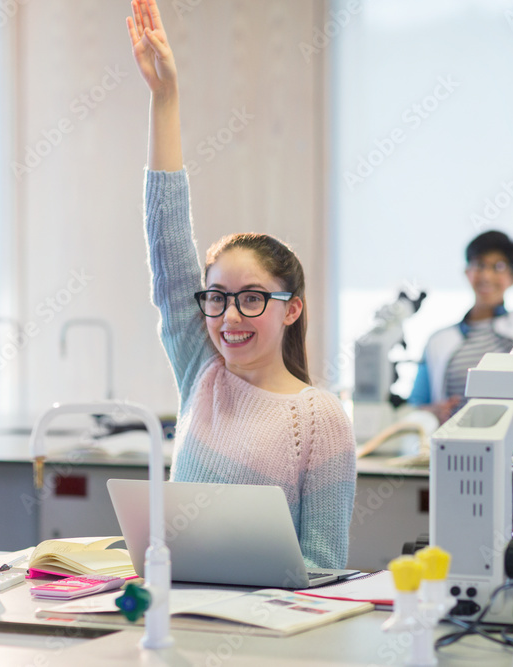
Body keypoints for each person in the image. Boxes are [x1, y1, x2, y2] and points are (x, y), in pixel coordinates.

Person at [127, 0, 355, 569]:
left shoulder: (320, 419)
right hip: (179, 611)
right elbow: (167, 238)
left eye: (252, 299)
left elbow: (324, 567)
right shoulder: (201, 375)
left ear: (291, 309)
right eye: (217, 298)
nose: (228, 317)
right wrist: (164, 99)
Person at [409, 121, 513, 423]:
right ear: (467, 273)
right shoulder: (438, 341)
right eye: (479, 265)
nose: (486, 275)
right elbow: (412, 406)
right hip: (455, 455)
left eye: (498, 267)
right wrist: (429, 412)